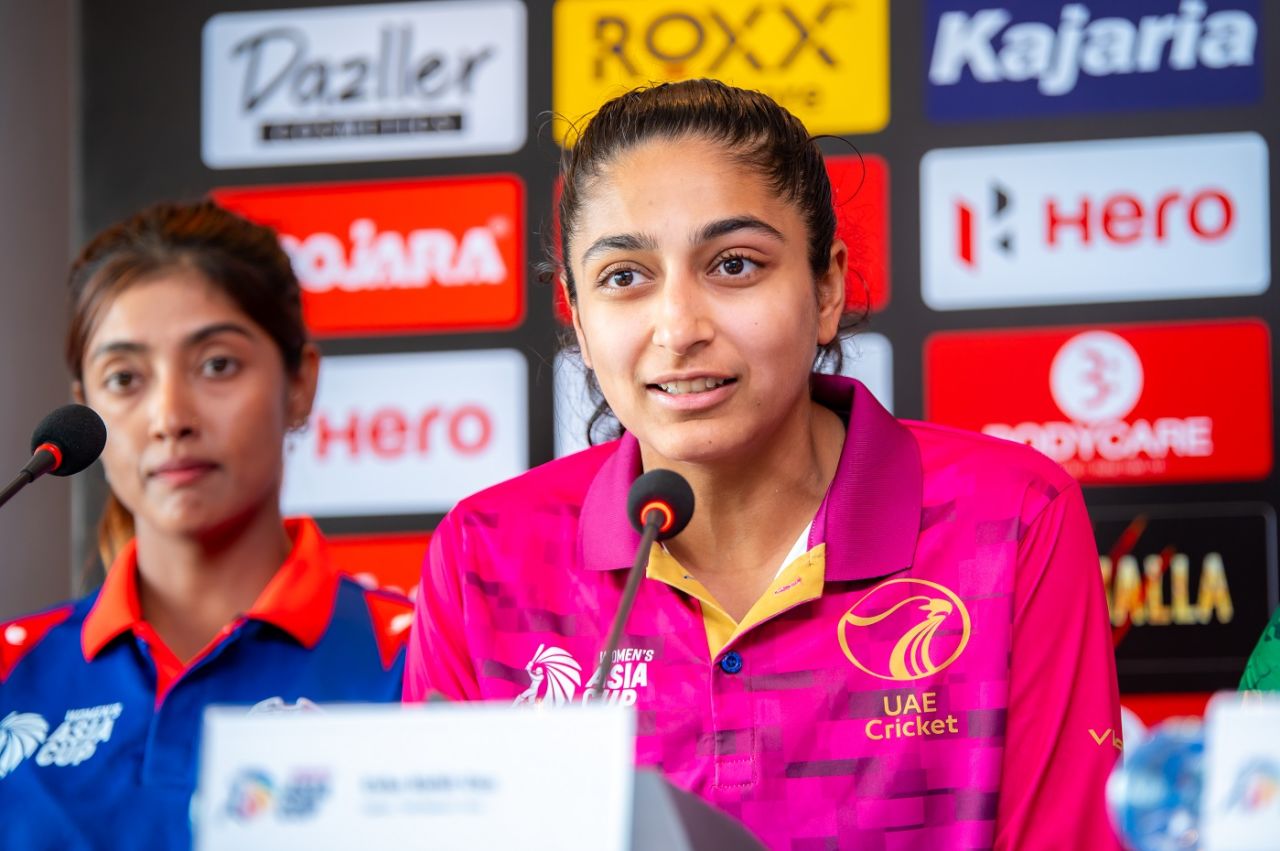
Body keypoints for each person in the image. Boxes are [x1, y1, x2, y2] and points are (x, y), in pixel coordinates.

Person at [403, 79, 1123, 848]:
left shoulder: (1010, 519)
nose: (678, 328)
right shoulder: (484, 554)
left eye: (735, 265)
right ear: (579, 320)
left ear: (826, 288)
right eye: (625, 277)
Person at [0, 201, 412, 850]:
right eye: (124, 378)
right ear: (84, 410)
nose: (170, 417)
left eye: (217, 364)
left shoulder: (420, 656)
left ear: (300, 384)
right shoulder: (8, 670)